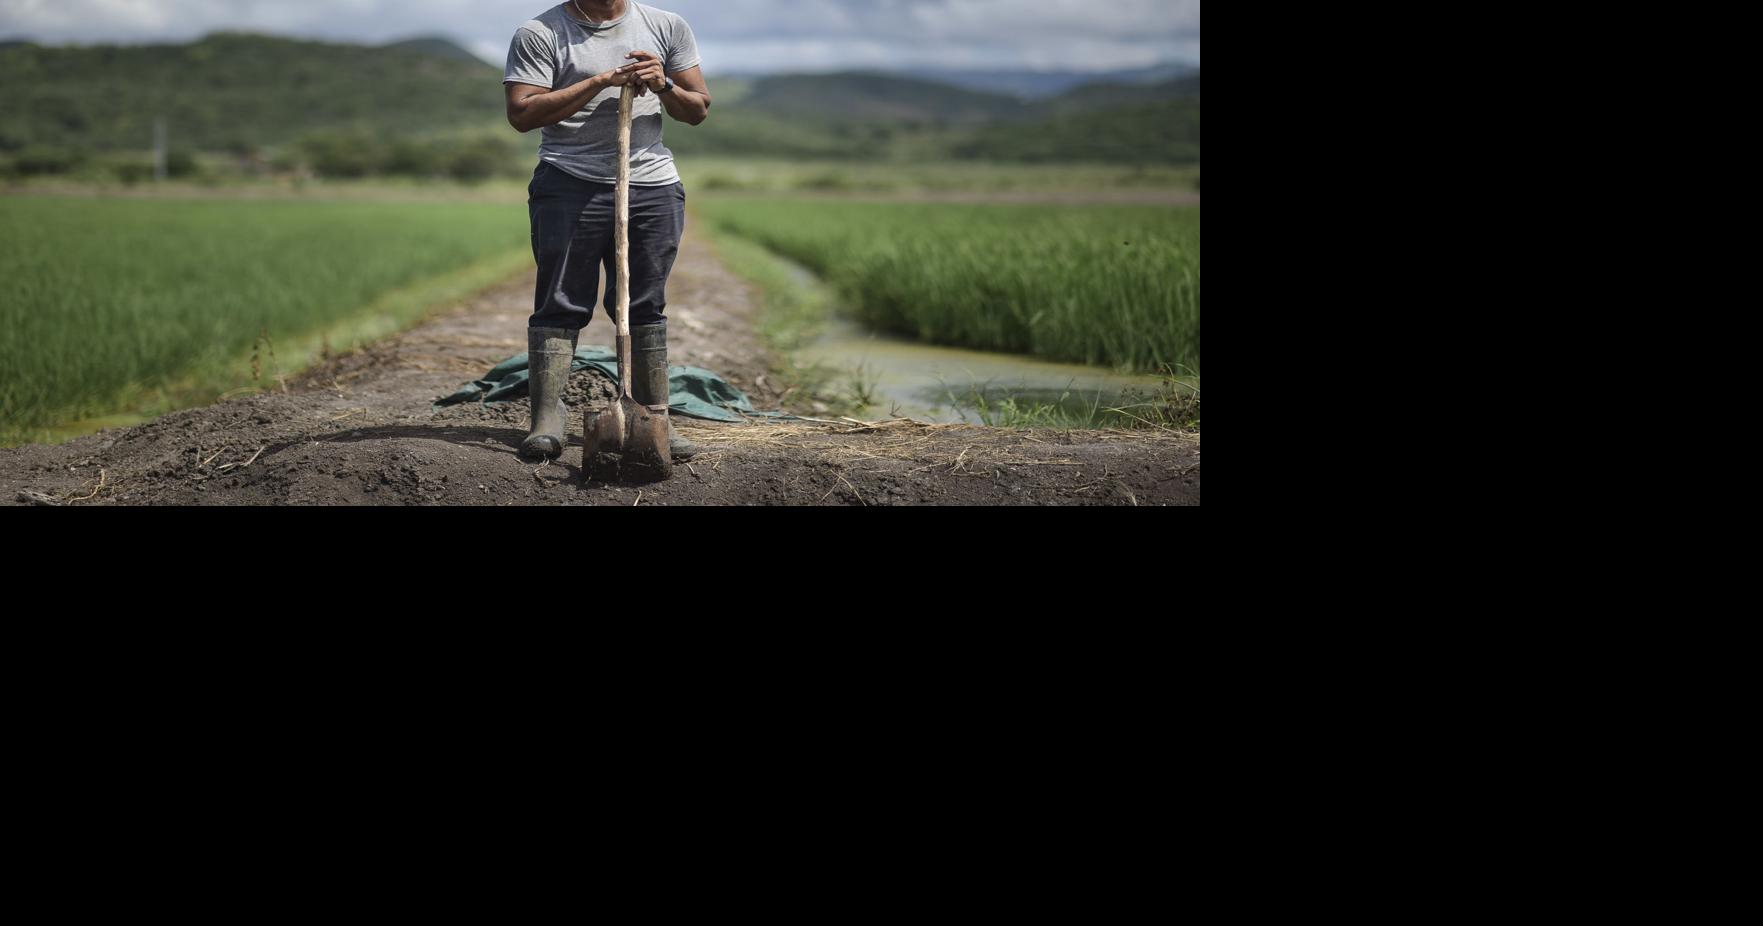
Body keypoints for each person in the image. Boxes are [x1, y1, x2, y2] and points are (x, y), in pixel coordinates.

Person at [503, 0, 711, 461]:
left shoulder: (666, 26)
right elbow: (522, 114)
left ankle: (653, 416)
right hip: (569, 182)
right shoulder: (541, 32)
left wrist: (663, 84)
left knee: (644, 303)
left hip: (651, 186)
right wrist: (600, 82)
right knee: (560, 301)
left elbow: (696, 109)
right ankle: (547, 420)